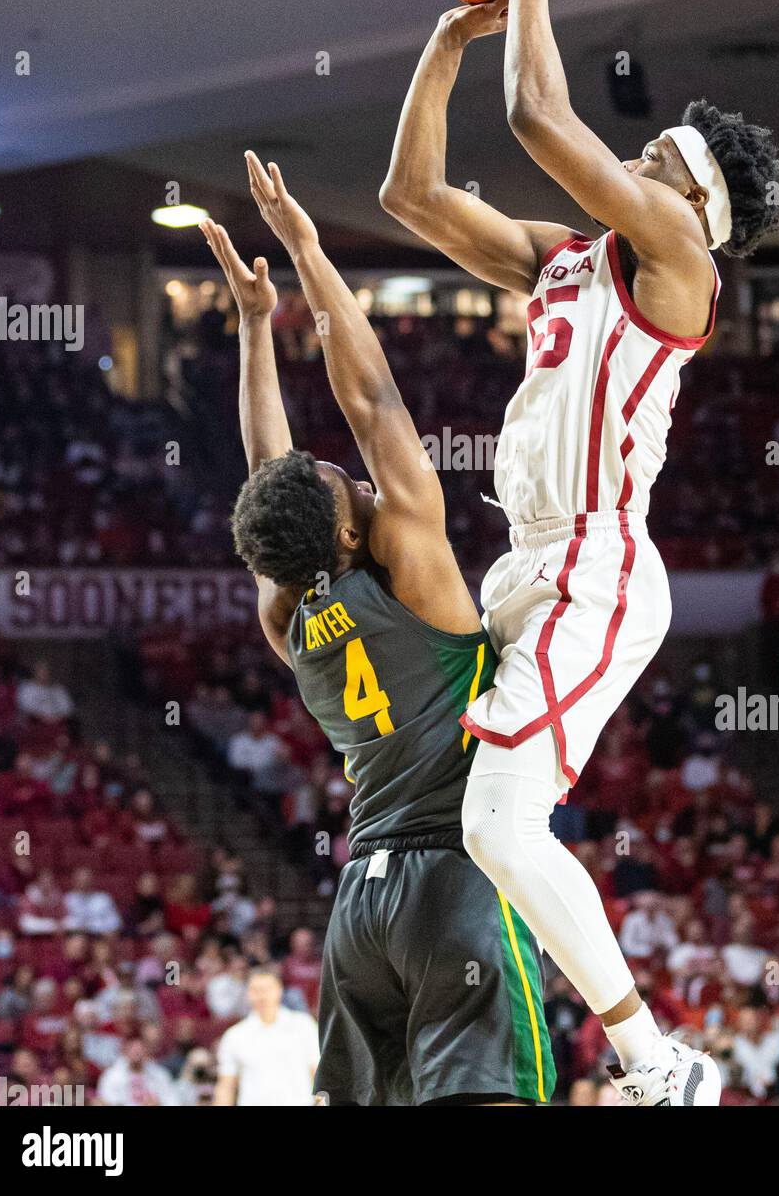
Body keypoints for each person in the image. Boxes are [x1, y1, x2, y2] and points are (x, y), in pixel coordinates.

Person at [380, 0, 779, 1105]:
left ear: (695, 199)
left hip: (598, 568)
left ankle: (657, 1060)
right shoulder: (569, 262)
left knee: (498, 823)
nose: (631, 156)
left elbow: (540, 123)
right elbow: (411, 196)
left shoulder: (676, 260)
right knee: (445, 805)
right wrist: (450, 40)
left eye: (654, 152)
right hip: (529, 563)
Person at [198, 153, 554, 1106]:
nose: (348, 469)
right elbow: (374, 402)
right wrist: (308, 250)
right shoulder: (417, 573)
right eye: (345, 482)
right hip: (457, 878)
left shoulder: (288, 616)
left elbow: (266, 478)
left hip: (364, 908)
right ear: (354, 528)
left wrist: (251, 326)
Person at [214, 968, 319, 1107]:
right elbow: (226, 1086)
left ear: (279, 990)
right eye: (256, 990)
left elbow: (318, 1073)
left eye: (267, 989)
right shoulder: (235, 1036)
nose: (262, 995)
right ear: (248, 994)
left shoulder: (304, 1025)